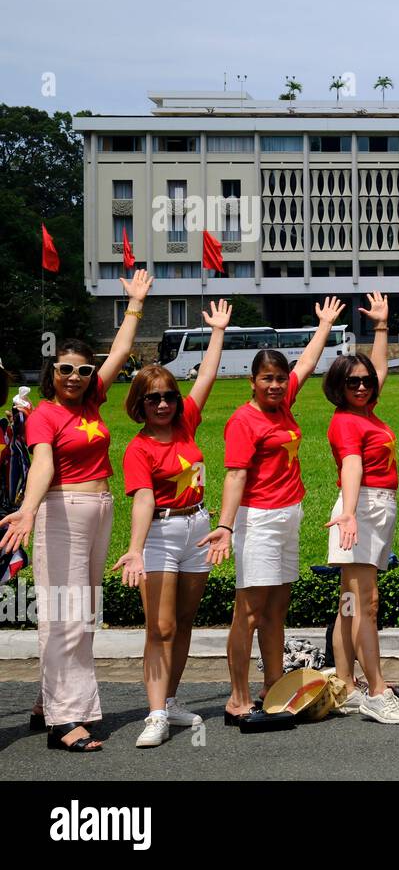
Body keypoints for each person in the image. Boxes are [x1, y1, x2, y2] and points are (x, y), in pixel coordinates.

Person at [1, 269, 155, 751]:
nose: (74, 377)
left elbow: (123, 352)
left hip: (100, 509)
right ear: (52, 373)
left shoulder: (93, 402)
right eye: (65, 369)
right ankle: (66, 720)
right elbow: (43, 463)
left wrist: (134, 304)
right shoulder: (45, 414)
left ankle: (51, 702)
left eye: (83, 370)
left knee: (81, 613)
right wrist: (27, 510)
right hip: (60, 511)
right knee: (65, 614)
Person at [198, 297, 346, 725]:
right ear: (252, 380)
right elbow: (234, 477)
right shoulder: (244, 422)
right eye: (268, 379)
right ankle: (237, 699)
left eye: (280, 379)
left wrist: (323, 325)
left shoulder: (283, 405)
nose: (277, 385)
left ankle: (273, 689)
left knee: (277, 609)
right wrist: (226, 526)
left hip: (288, 515)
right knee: (248, 610)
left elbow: (308, 363)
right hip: (256, 520)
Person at [115, 300, 230, 748]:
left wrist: (218, 331)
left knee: (183, 622)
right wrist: (136, 548)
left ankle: (173, 698)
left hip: (197, 530)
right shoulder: (138, 449)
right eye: (153, 398)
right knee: (158, 627)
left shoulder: (186, 424)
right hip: (161, 533)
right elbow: (144, 498)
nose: (163, 404)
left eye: (168, 396)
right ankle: (156, 712)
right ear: (139, 403)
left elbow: (206, 377)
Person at [321, 292, 399, 724]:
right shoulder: (346, 422)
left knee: (349, 605)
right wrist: (351, 512)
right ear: (337, 387)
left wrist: (380, 327)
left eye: (365, 382)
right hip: (362, 507)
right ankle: (376, 691)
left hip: (375, 508)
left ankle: (346, 685)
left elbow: (379, 371)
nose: (361, 386)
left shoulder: (367, 412)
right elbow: (352, 466)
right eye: (352, 382)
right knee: (366, 604)